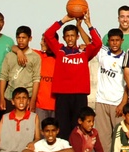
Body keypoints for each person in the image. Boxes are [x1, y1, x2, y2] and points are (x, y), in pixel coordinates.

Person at [43, 12, 102, 140]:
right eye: (67, 36)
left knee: (79, 128)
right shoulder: (59, 51)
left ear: (77, 37)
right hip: (63, 95)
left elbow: (97, 43)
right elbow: (48, 34)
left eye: (72, 36)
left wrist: (88, 24)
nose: (70, 39)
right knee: (63, 128)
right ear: (64, 38)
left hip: (79, 95)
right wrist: (63, 20)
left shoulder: (84, 53)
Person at [94, 28, 129, 152]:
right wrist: (84, 25)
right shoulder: (103, 53)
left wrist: (123, 103)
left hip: (117, 104)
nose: (114, 43)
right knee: (103, 139)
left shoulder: (125, 57)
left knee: (121, 138)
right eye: (112, 40)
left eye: (117, 40)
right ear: (108, 41)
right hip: (101, 101)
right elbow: (91, 41)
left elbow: (127, 84)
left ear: (122, 41)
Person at [0, 26, 41, 113]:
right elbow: (3, 77)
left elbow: (36, 79)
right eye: (18, 38)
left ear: (30, 38)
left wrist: (33, 100)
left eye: (24, 38)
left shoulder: (35, 57)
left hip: (27, 97)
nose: (21, 40)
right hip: (10, 96)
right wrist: (1, 97)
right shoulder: (9, 56)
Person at [34, 35, 57, 122]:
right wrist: (18, 51)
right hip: (40, 106)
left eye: (44, 41)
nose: (41, 43)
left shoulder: (61, 57)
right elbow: (18, 48)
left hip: (56, 106)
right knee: (40, 134)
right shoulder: (38, 55)